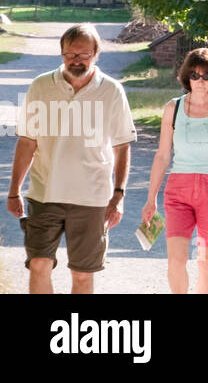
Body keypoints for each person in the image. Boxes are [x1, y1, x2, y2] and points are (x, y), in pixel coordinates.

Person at [5, 23, 136, 294]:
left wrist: (118, 194)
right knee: (39, 265)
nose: (76, 61)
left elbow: (122, 145)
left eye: (83, 55)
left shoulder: (111, 91)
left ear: (96, 53)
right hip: (45, 194)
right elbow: (27, 141)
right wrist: (14, 191)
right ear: (61, 53)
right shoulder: (41, 86)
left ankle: (77, 333)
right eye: (69, 54)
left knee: (82, 274)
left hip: (92, 199)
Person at [141, 48, 208, 294]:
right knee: (176, 259)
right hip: (178, 193)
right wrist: (150, 198)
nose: (200, 81)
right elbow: (163, 155)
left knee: (206, 262)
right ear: (186, 77)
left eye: (206, 76)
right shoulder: (172, 108)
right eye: (194, 75)